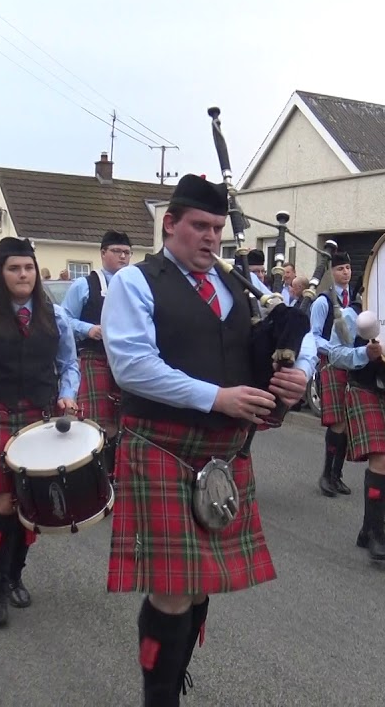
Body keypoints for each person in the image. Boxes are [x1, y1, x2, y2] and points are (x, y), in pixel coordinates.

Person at [101, 174, 311, 705]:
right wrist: (217, 397)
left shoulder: (233, 286)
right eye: (199, 226)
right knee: (172, 590)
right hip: (161, 447)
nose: (211, 237)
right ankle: (160, 696)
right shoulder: (136, 282)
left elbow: (292, 339)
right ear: (170, 224)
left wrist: (295, 374)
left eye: (217, 227)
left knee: (197, 584)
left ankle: (173, 677)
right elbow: (131, 367)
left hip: (223, 453)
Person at [0, 236, 80, 628]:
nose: (22, 275)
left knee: (30, 506)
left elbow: (69, 365)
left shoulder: (55, 317)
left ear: (35, 272)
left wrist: (68, 395)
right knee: (2, 504)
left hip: (39, 416)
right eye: (13, 269)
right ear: (1, 273)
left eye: (27, 268)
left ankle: (15, 576)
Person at [325, 301, 385, 560]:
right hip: (365, 390)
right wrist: (364, 355)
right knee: (383, 459)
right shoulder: (349, 315)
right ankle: (378, 535)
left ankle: (368, 529)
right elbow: (335, 354)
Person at [60, 230, 132, 441]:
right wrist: (87, 329)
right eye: (116, 251)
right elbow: (63, 320)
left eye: (127, 252)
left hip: (126, 361)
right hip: (95, 359)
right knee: (96, 423)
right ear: (102, 253)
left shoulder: (136, 286)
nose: (122, 257)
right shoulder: (84, 285)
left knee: (126, 421)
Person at [311, 253, 356, 496]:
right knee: (338, 421)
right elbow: (314, 335)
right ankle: (326, 475)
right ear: (332, 273)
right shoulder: (323, 302)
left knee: (348, 422)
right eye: (340, 268)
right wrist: (336, 349)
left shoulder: (356, 299)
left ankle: (337, 475)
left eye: (348, 268)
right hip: (331, 364)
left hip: (353, 366)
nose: (346, 272)